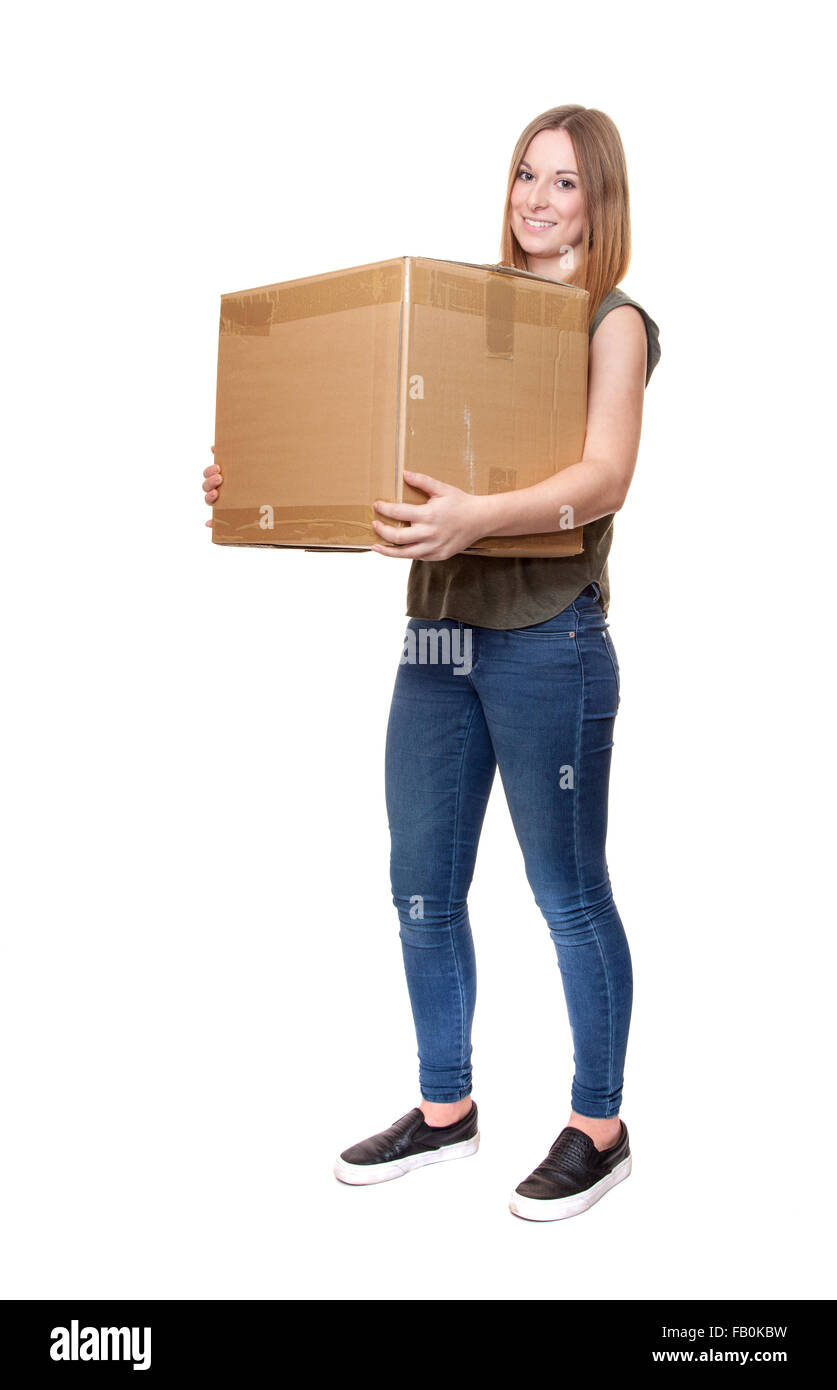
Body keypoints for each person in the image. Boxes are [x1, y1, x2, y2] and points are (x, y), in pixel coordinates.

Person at [203, 105, 661, 1222]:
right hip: (437, 638)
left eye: (564, 183)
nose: (538, 201)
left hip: (549, 640)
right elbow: (397, 477)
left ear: (601, 202)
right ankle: (445, 1109)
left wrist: (479, 517)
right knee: (420, 886)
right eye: (523, 176)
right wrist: (266, 475)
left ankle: (599, 1126)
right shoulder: (466, 319)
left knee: (567, 895)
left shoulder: (614, 321)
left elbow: (602, 477)